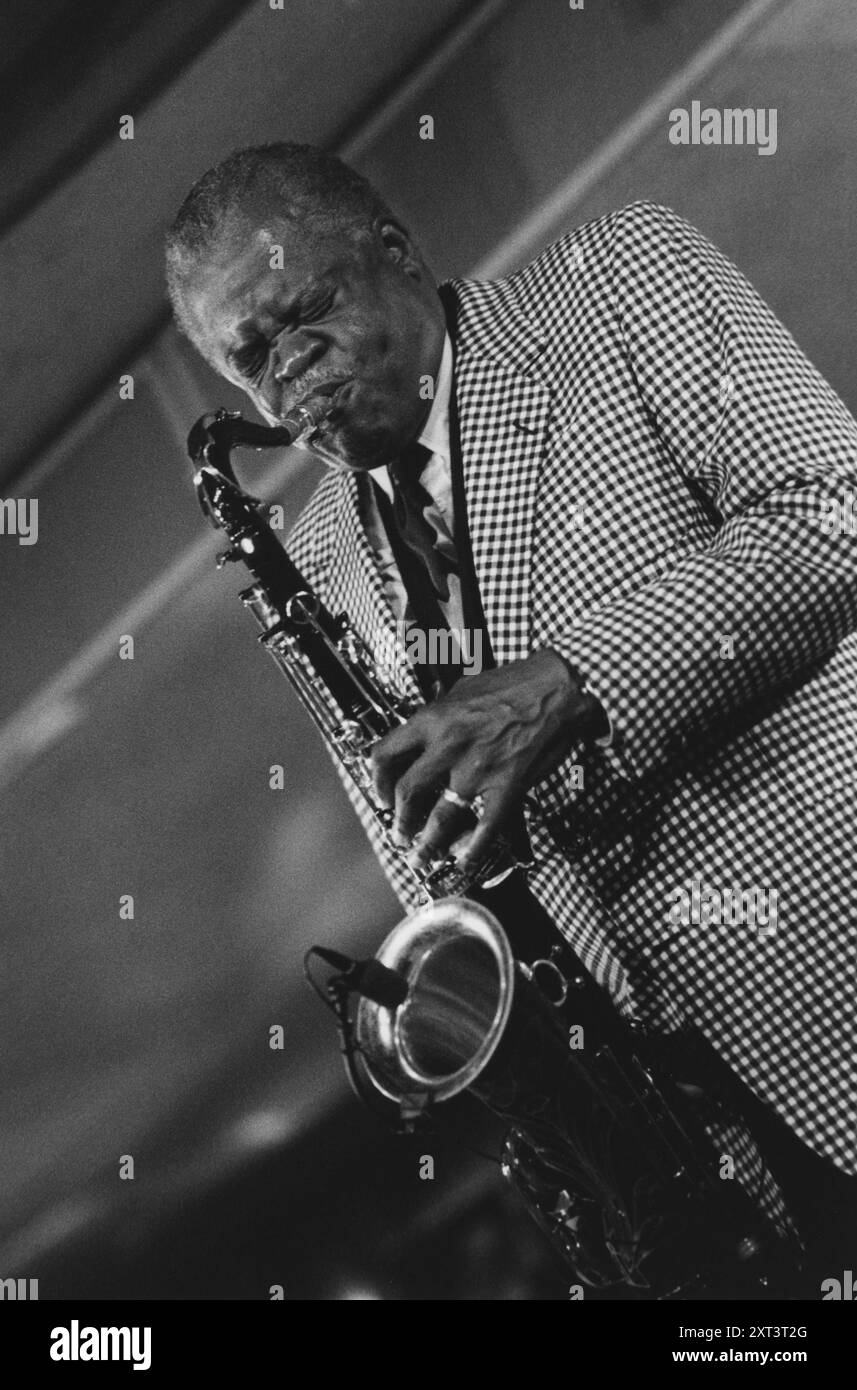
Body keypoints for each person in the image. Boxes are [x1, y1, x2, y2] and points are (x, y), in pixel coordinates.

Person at [166, 143, 857, 1286]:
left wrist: (571, 678)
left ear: (395, 249)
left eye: (308, 311)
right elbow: (434, 873)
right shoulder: (319, 561)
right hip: (694, 1166)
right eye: (249, 357)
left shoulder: (618, 280)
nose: (292, 368)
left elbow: (830, 517)